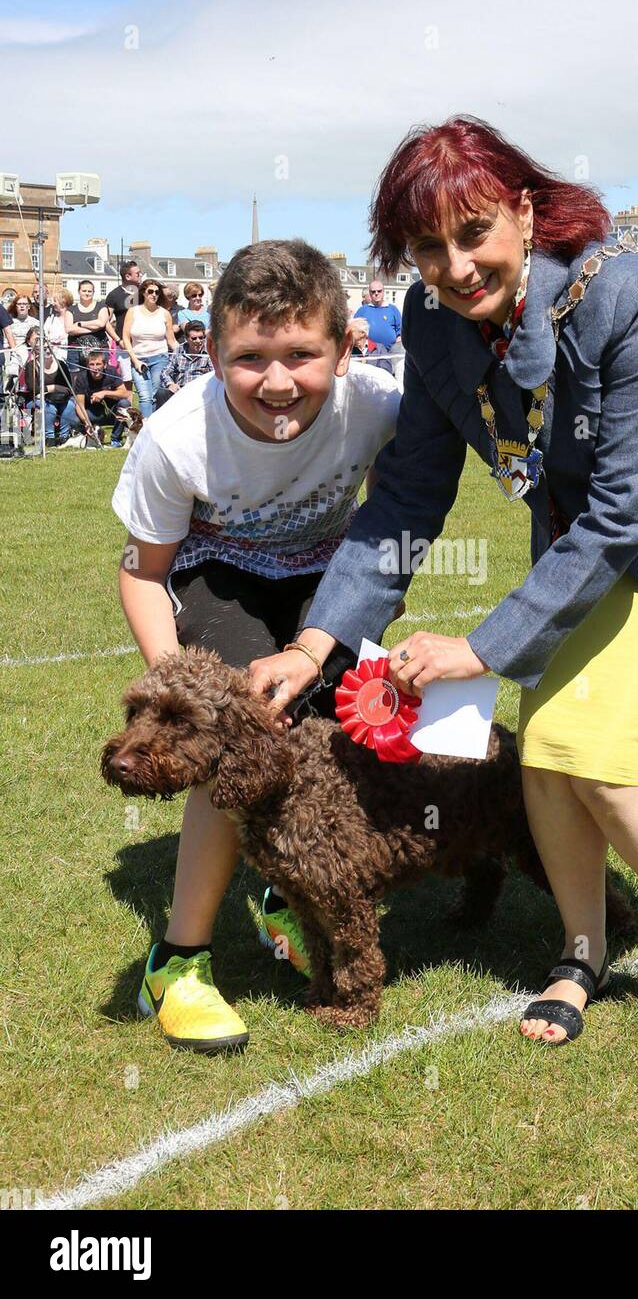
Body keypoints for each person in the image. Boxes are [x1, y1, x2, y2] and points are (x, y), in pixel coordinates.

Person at [249, 116, 638, 1073]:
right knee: (543, 753)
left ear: (527, 214)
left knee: (604, 756)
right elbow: (409, 491)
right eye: (426, 247)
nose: (454, 267)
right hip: (585, 536)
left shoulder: (624, 292)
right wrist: (316, 643)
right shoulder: (428, 322)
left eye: (474, 232)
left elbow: (625, 509)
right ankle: (583, 953)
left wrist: (484, 648)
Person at [111, 239, 402, 1052]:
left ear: (347, 349)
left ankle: (292, 887)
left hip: (330, 579)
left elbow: (398, 518)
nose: (277, 382)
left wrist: (338, 629)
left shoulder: (379, 406)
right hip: (220, 572)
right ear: (210, 354)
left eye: (302, 355)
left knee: (338, 738)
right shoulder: (176, 440)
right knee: (231, 742)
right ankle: (179, 961)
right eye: (250, 359)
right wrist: (179, 687)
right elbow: (141, 574)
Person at [122, 279, 177, 418]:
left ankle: (153, 428)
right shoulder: (132, 312)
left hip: (160, 358)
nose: (154, 295)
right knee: (145, 397)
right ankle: (146, 429)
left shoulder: (164, 313)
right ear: (143, 293)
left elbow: (171, 341)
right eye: (150, 291)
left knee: (156, 394)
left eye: (157, 292)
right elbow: (126, 339)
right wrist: (135, 361)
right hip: (138, 359)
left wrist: (188, 352)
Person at [59, 347, 132, 447]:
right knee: (73, 416)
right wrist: (86, 422)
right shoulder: (81, 378)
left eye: (98, 364)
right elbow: (80, 405)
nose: (95, 368)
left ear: (104, 365)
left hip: (111, 413)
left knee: (124, 404)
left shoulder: (112, 373)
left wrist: (105, 393)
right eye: (91, 364)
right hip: (92, 414)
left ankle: (115, 439)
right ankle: (84, 436)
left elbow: (125, 393)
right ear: (87, 365)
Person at [153, 320, 214, 409]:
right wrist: (170, 384)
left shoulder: (209, 351)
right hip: (179, 391)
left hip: (200, 392)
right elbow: (165, 372)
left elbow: (214, 374)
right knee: (161, 393)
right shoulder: (179, 350)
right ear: (186, 338)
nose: (198, 341)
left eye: (201, 337)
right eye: (194, 338)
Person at [65, 279, 110, 382]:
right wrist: (94, 327)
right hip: (76, 350)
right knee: (76, 382)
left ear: (93, 292)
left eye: (89, 291)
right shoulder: (71, 309)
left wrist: (80, 324)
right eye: (84, 291)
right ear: (79, 291)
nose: (87, 293)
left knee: (100, 380)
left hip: (99, 348)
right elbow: (69, 329)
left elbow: (102, 323)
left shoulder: (101, 306)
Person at [354, 278, 401, 374]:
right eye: (373, 291)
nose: (376, 293)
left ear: (383, 292)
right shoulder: (363, 310)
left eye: (379, 291)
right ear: (370, 293)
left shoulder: (393, 309)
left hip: (391, 355)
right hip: (370, 355)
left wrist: (395, 349)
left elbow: (400, 333)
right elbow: (354, 331)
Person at [105, 260, 142, 382]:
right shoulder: (114, 295)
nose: (140, 275)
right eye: (137, 273)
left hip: (143, 342)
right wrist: (118, 340)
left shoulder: (145, 292)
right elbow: (106, 322)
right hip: (124, 345)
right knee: (127, 381)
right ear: (127, 276)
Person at [8, 294, 39, 380]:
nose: (22, 306)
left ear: (29, 306)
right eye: (19, 304)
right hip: (14, 354)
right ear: (15, 306)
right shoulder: (9, 323)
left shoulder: (36, 323)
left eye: (25, 304)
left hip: (31, 355)